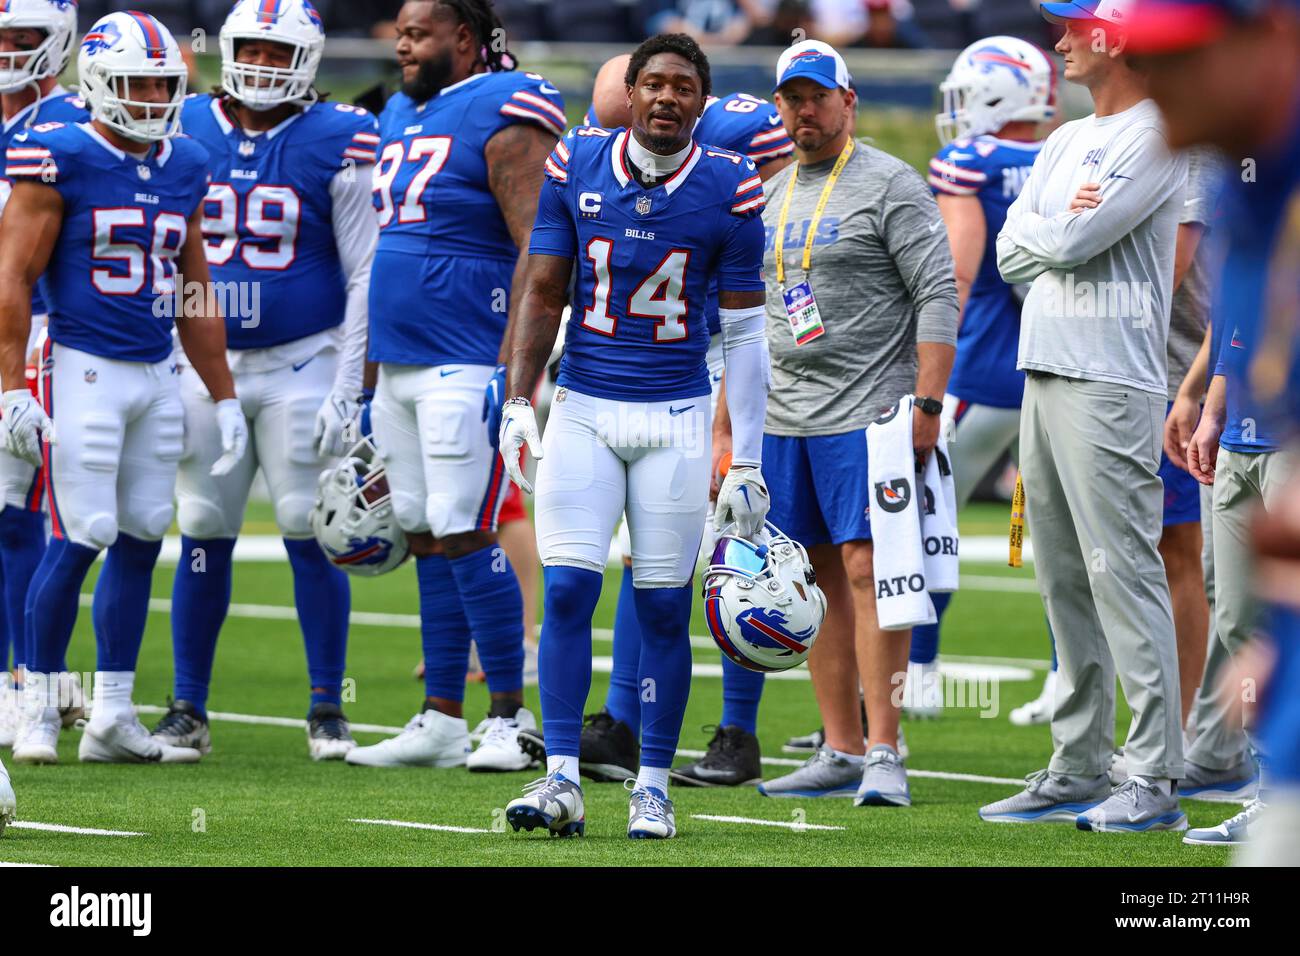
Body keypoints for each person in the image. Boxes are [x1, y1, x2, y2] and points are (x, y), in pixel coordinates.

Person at [498, 32, 771, 839]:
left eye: (683, 87)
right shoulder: (576, 163)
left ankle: (652, 783)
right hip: (582, 406)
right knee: (569, 590)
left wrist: (747, 455)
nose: (665, 98)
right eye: (652, 83)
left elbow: (749, 332)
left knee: (660, 608)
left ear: (701, 101)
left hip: (677, 417)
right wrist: (521, 399)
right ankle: (559, 780)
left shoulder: (729, 184)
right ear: (629, 93)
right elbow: (543, 289)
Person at [1, 10, 248, 765]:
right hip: (79, 361)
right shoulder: (57, 152)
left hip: (155, 368)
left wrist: (225, 391)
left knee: (144, 530)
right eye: (136, 83)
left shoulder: (186, 163)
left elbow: (194, 285)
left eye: (163, 84)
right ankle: (38, 703)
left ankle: (112, 713)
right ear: (100, 82)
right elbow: (11, 277)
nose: (151, 98)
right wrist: (11, 383)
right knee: (83, 534)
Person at [978, 0, 1190, 833]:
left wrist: (1046, 228)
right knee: (1062, 577)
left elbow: (1061, 246)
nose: (1059, 40)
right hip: (1047, 367)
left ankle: (1154, 778)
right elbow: (1010, 249)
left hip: (1110, 377)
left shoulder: (1159, 130)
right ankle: (1079, 762)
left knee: (1121, 573)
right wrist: (1048, 226)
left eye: (1072, 24)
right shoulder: (1066, 141)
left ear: (1118, 36)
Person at [147, 0, 378, 762]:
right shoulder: (184, 124)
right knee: (203, 530)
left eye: (279, 52)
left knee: (306, 529)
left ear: (307, 60)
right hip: (201, 365)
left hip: (299, 361)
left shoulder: (339, 137)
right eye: (251, 47)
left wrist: (348, 383)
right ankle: (188, 707)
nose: (262, 63)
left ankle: (326, 707)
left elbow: (363, 271)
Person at [342, 0, 563, 773]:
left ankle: (510, 714)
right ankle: (440, 717)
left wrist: (515, 378)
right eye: (399, 30)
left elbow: (542, 246)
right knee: (425, 530)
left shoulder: (506, 106)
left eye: (419, 32)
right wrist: (361, 380)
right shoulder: (402, 108)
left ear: (465, 39)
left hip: (466, 357)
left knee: (467, 525)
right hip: (401, 359)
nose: (401, 42)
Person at [748, 40, 958, 807]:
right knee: (813, 583)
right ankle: (837, 746)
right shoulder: (771, 191)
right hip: (785, 417)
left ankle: (883, 750)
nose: (804, 110)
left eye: (816, 96)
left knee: (871, 573)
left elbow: (938, 293)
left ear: (849, 100)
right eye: (791, 98)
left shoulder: (892, 183)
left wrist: (928, 404)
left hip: (869, 413)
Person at [1127, 0, 1300, 858]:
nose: (1156, 87)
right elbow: (1250, 318)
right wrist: (1205, 389)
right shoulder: (1243, 172)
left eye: (1181, 60)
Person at [903, 35, 1057, 720]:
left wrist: (920, 364)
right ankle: (1065, 678)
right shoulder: (1066, 153)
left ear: (999, 91)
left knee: (925, 523)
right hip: (1054, 370)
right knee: (1057, 535)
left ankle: (919, 673)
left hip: (978, 370)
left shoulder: (969, 162)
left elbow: (955, 275)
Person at [0, 0, 85, 748]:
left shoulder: (76, 126)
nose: (6, 51)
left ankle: (35, 683)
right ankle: (24, 685)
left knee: (37, 515)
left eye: (20, 38)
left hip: (50, 338)